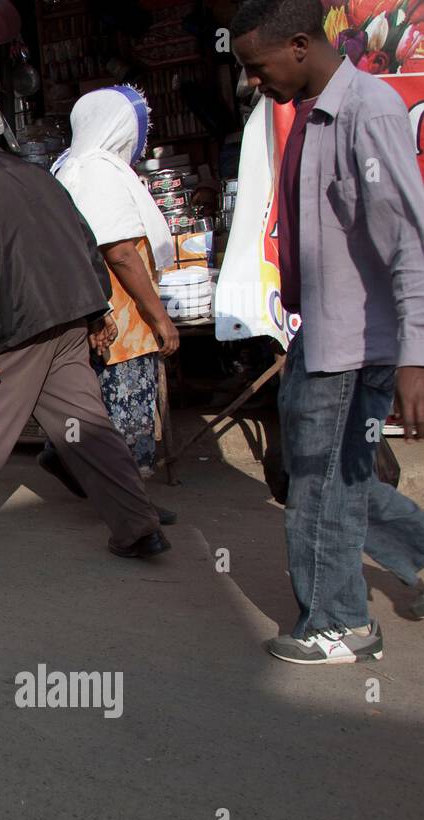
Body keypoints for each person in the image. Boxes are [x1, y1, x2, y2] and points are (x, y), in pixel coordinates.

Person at [232, 0, 424, 664]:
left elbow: (409, 243)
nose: (255, 83)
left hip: (354, 343)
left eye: (258, 69)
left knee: (317, 484)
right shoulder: (310, 118)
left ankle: (341, 623)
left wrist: (415, 357)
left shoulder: (366, 111)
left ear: (299, 45)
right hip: (320, 335)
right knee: (337, 478)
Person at [0, 93, 169, 560]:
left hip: (20, 324)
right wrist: (97, 311)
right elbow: (83, 239)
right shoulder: (37, 174)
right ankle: (137, 525)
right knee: (87, 427)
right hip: (67, 320)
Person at [49, 86, 181, 493]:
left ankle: (77, 465)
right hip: (121, 319)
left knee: (95, 406)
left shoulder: (66, 166)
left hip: (87, 314)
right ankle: (130, 505)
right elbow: (120, 252)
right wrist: (160, 317)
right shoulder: (99, 172)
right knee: (125, 411)